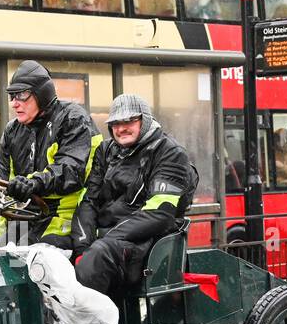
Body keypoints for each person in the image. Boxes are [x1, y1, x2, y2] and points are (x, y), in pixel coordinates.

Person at [73, 94, 196, 295]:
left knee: (97, 255)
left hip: (147, 244)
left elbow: (159, 215)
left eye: (129, 121)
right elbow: (88, 200)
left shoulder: (170, 153)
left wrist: (101, 241)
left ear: (144, 120)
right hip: (106, 240)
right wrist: (81, 248)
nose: (121, 128)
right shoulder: (104, 151)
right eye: (115, 123)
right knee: (52, 253)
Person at [0, 60, 101, 246]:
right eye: (12, 96)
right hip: (27, 217)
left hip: (67, 216)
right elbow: (4, 186)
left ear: (42, 94)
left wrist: (33, 183)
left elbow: (71, 171)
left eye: (21, 95)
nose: (14, 104)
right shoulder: (12, 131)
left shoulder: (72, 118)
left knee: (39, 261)